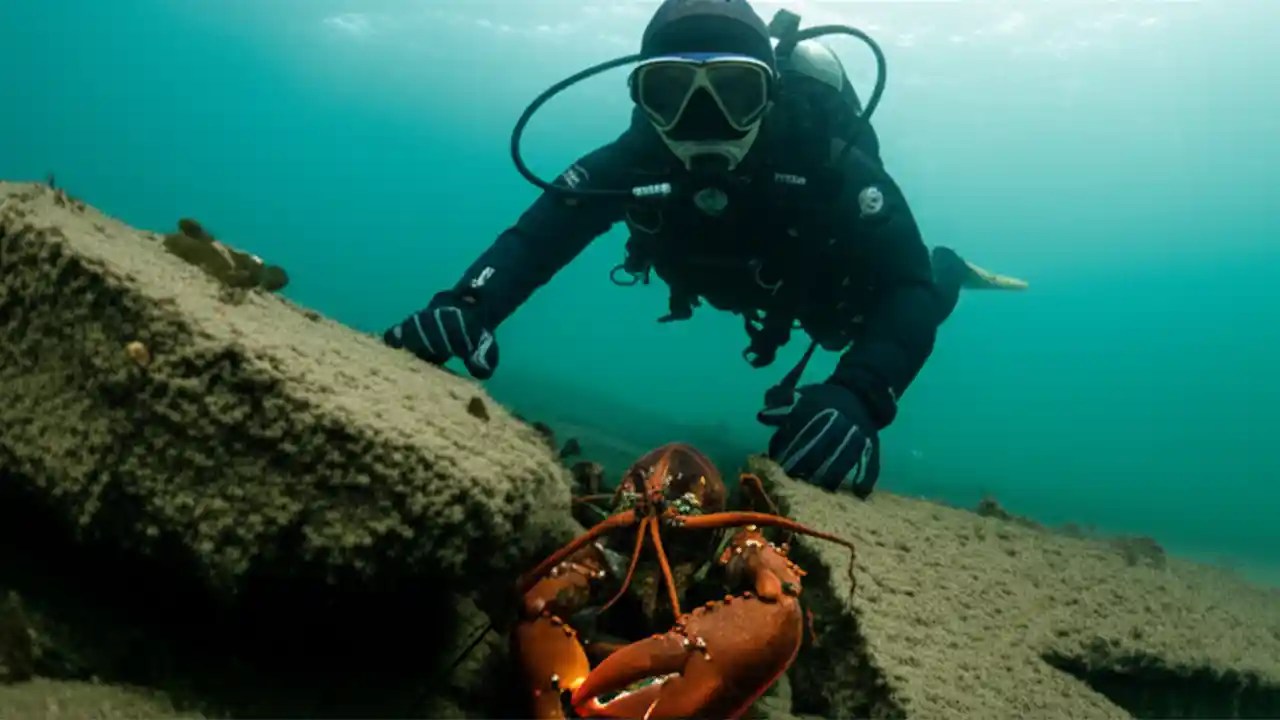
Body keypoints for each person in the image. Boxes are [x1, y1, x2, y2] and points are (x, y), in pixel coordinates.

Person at [383, 0, 1025, 498]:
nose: (703, 119)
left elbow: (905, 287)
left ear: (769, 93)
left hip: (814, 288)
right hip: (736, 277)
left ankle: (955, 269)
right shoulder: (634, 158)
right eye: (669, 93)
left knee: (873, 312)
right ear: (641, 98)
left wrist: (862, 391)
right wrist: (470, 303)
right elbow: (544, 231)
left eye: (735, 91)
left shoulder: (829, 164)